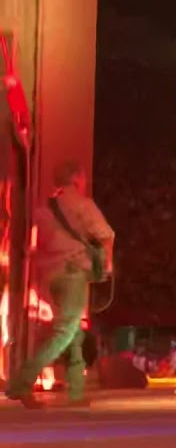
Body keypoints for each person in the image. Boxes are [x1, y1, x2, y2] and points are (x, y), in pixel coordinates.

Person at [6, 160, 114, 409]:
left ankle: (76, 391)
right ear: (77, 179)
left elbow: (31, 247)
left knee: (74, 331)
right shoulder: (82, 205)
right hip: (73, 273)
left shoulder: (43, 209)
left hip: (49, 276)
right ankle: (21, 382)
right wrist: (106, 266)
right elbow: (106, 235)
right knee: (66, 331)